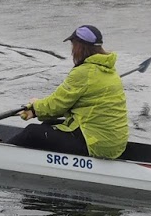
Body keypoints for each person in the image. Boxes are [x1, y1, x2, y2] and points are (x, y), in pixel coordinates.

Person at [11, 23, 128, 159]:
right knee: (48, 124)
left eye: (73, 45)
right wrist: (38, 110)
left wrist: (35, 108)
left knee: (32, 132)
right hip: (114, 143)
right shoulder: (110, 70)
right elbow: (65, 104)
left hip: (96, 144)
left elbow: (57, 104)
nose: (72, 50)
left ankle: (1, 153)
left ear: (79, 47)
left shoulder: (83, 72)